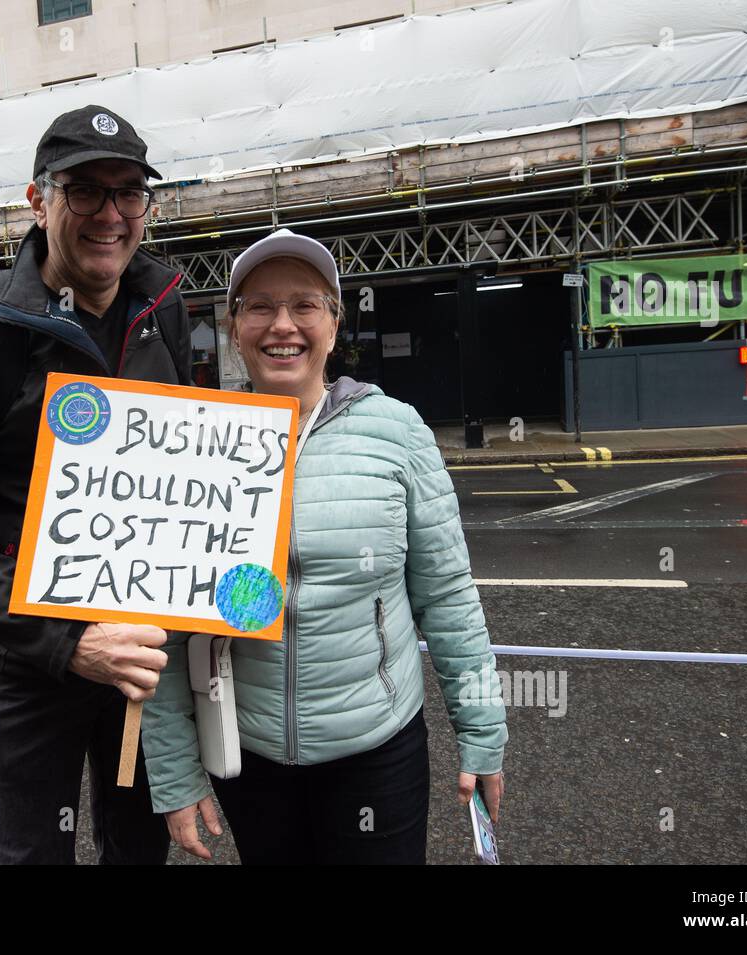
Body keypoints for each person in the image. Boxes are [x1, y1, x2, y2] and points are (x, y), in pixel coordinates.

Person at [141, 229, 507, 864]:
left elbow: (448, 597)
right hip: (249, 760)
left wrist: (481, 733)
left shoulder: (396, 431)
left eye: (305, 304)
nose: (283, 324)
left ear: (334, 325)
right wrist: (174, 773)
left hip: (377, 755)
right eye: (259, 306)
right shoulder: (198, 444)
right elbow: (164, 625)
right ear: (234, 328)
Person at [0, 105, 191, 864]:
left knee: (140, 849)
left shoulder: (166, 305)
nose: (111, 214)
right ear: (38, 199)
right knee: (28, 854)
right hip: (27, 665)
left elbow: (185, 467)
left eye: (129, 192)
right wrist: (67, 640)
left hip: (142, 654)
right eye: (84, 190)